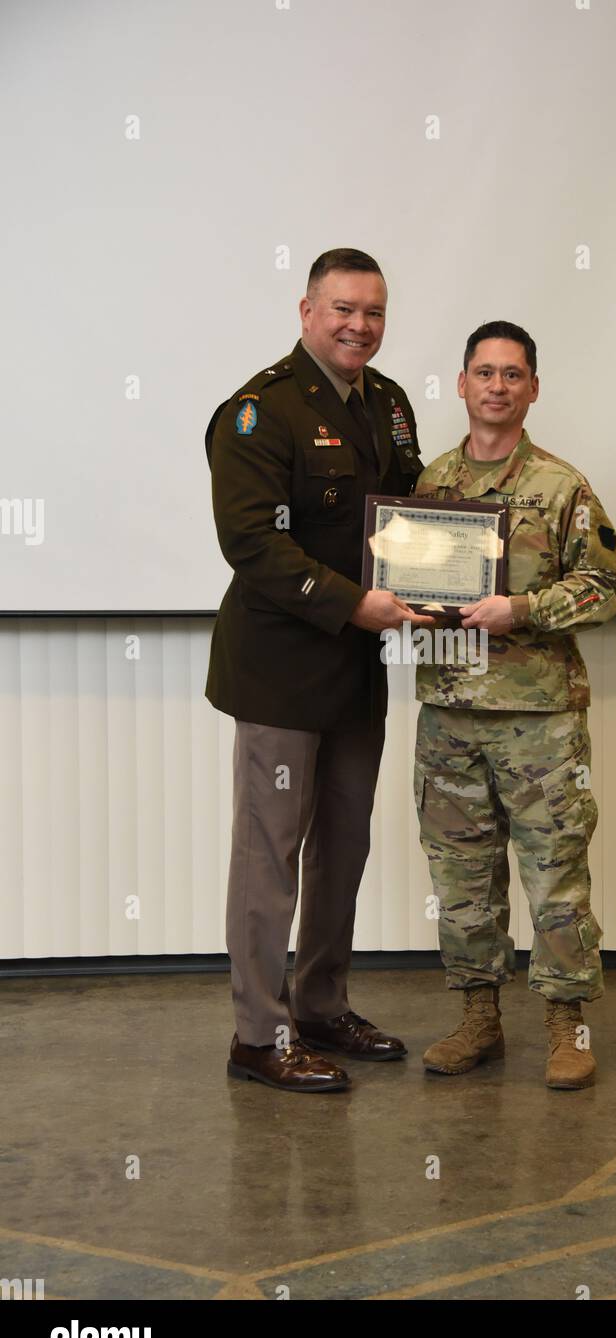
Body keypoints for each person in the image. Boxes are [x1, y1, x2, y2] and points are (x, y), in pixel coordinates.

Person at [205, 248, 431, 1093]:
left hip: (355, 666)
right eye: (343, 309)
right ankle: (257, 1035)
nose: (358, 326)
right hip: (280, 667)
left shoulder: (389, 403)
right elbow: (255, 544)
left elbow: (411, 514)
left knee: (344, 844)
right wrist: (354, 603)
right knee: (270, 851)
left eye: (373, 312)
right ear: (306, 312)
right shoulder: (259, 414)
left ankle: (320, 1005)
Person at [413, 321, 616, 1089]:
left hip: (539, 721)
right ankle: (478, 1019)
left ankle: (568, 1026)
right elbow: (406, 588)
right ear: (460, 384)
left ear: (531, 388)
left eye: (512, 374)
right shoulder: (429, 487)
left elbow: (606, 587)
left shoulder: (561, 487)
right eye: (483, 372)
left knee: (554, 876)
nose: (496, 386)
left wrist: (525, 609)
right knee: (460, 878)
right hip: (448, 714)